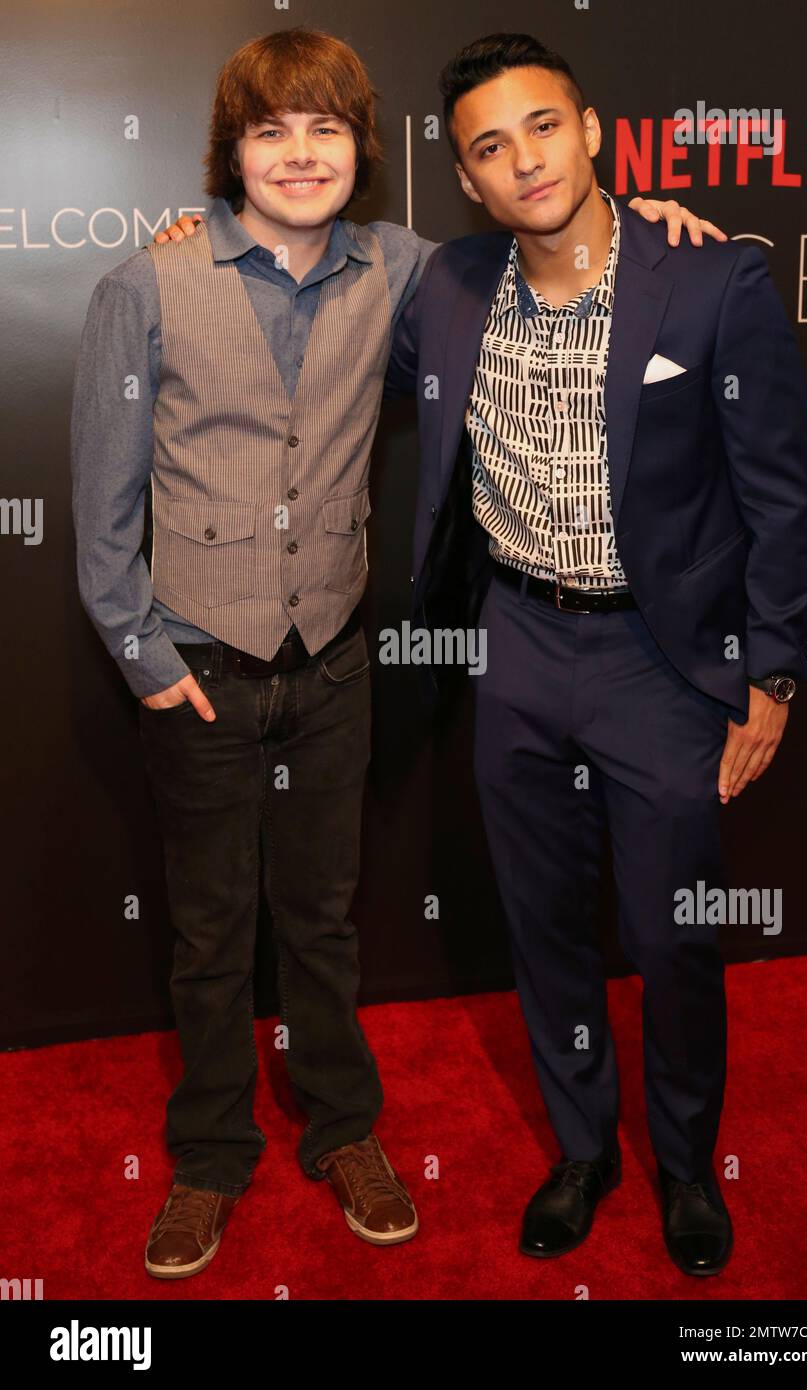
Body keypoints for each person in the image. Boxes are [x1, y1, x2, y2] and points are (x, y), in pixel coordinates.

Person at [71, 24, 721, 1280]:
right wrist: (143, 654)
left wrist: (649, 222)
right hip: (198, 665)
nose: (299, 153)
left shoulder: (411, 269)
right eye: (270, 130)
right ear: (233, 151)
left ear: (361, 150)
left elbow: (554, 240)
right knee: (210, 933)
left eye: (323, 128)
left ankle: (342, 1129)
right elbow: (100, 514)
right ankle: (209, 1157)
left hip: (333, 659)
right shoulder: (142, 287)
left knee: (321, 921)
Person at [384, 32, 807, 1276]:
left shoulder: (709, 280)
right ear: (466, 181)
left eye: (539, 126)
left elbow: (784, 498)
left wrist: (771, 670)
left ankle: (686, 1164)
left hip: (660, 661)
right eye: (487, 147)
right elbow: (328, 288)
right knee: (543, 924)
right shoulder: (449, 287)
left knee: (672, 934)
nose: (521, 160)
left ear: (589, 132)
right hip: (516, 643)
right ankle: (583, 1149)